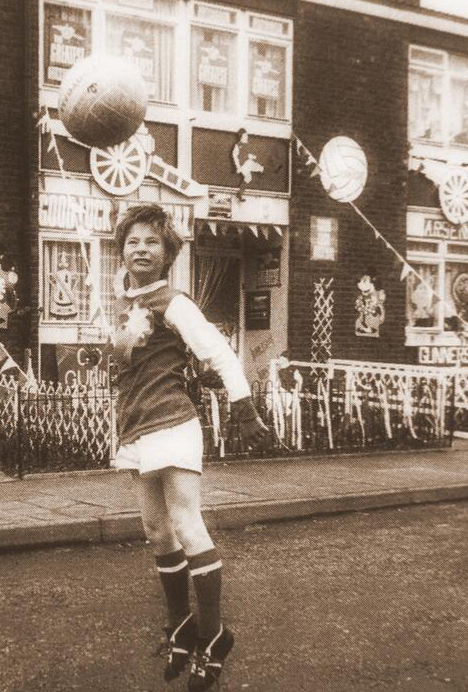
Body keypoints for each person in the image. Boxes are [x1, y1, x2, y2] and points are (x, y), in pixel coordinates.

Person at [109, 204, 269, 691]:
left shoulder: (174, 302)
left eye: (151, 242)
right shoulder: (126, 303)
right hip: (136, 428)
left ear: (168, 253)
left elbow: (219, 352)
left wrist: (244, 409)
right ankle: (181, 624)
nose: (141, 249)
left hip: (174, 424)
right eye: (133, 241)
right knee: (157, 532)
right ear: (122, 250)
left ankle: (215, 634)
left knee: (187, 525)